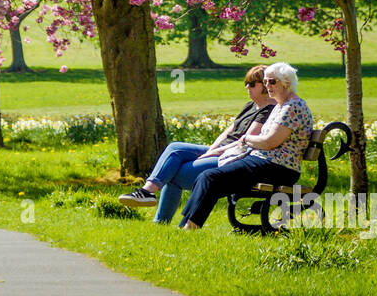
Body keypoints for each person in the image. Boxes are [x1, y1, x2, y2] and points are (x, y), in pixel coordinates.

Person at [119, 65, 276, 223]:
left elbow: (243, 143)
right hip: (220, 151)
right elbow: (227, 133)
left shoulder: (268, 110)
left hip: (233, 157)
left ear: (265, 85)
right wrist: (211, 150)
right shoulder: (250, 106)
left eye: (252, 84)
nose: (247, 87)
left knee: (175, 174)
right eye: (246, 83)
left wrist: (213, 154)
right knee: (175, 148)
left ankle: (171, 224)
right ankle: (147, 192)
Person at [177, 62, 313, 230]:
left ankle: (189, 227)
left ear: (286, 83)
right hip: (264, 162)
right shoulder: (281, 105)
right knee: (207, 177)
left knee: (210, 178)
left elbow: (270, 142)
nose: (267, 86)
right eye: (265, 82)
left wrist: (247, 139)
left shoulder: (293, 107)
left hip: (277, 168)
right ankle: (187, 225)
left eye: (272, 82)